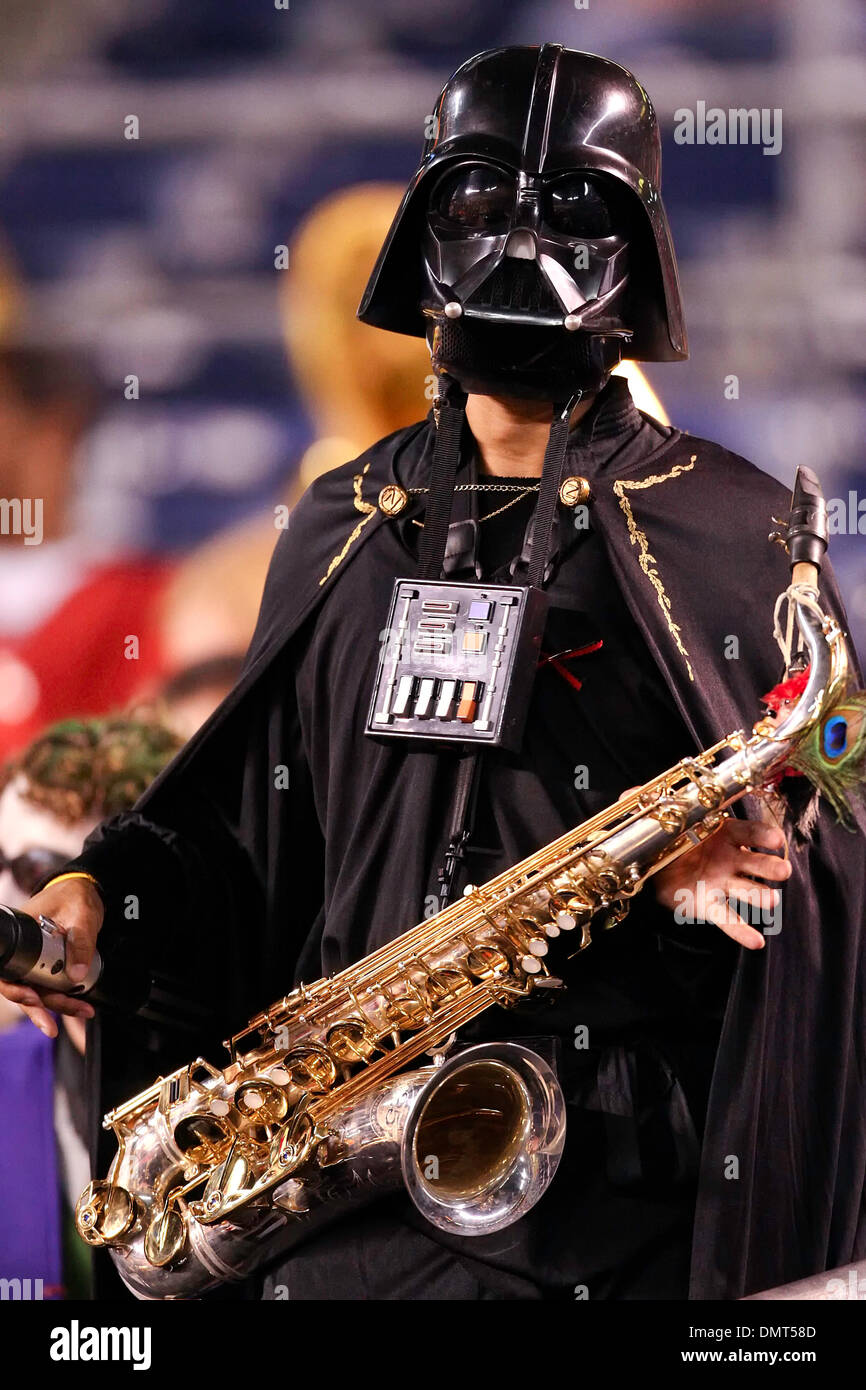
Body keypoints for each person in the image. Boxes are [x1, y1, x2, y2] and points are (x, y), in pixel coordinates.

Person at [4, 45, 865, 1301]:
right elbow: (245, 840)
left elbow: (826, 873)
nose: (520, 239)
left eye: (570, 204)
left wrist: (720, 879)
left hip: (605, 1183)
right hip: (339, 1171)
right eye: (476, 199)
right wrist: (97, 904)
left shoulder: (726, 533)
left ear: (638, 245)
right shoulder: (344, 517)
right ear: (419, 233)